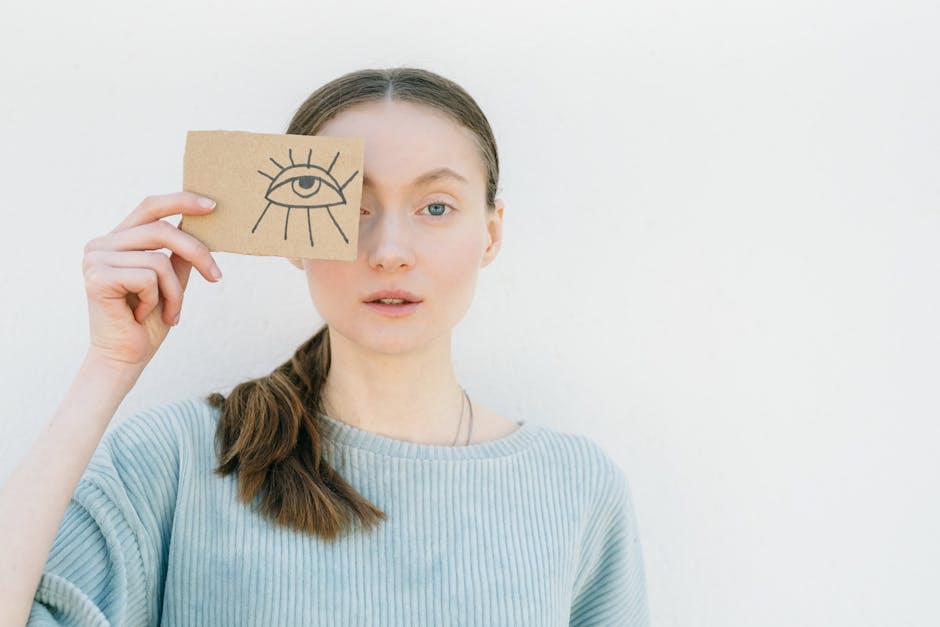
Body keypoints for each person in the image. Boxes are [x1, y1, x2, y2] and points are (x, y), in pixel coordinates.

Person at [0, 67, 651, 626]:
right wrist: (107, 366)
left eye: (436, 207)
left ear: (491, 232)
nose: (391, 252)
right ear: (290, 232)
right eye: (352, 206)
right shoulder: (171, 463)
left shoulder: (577, 489)